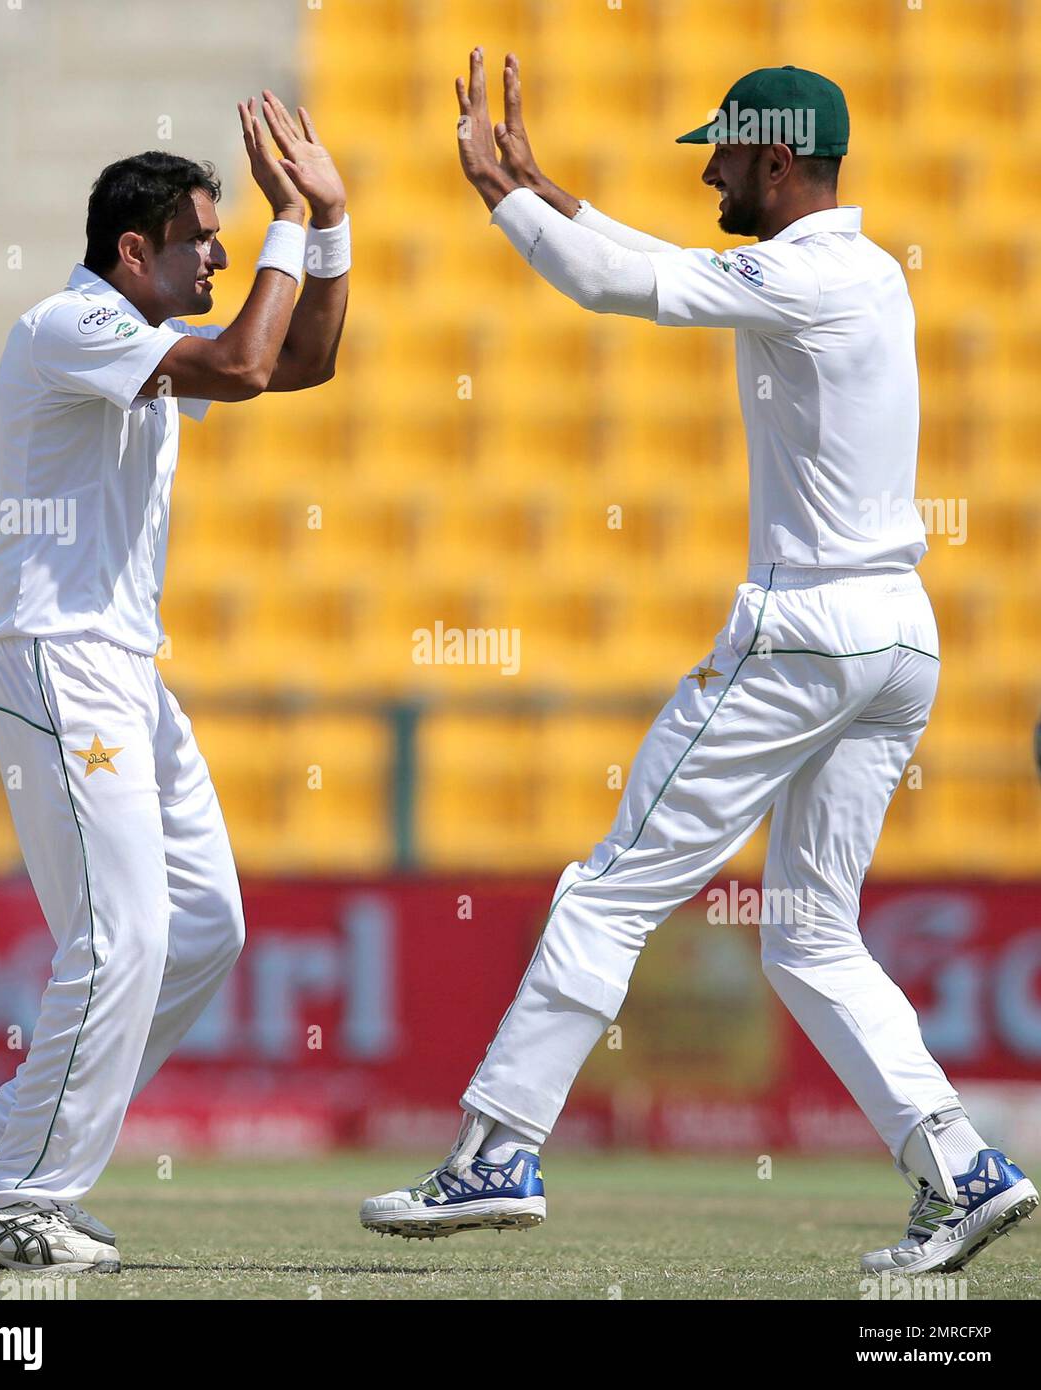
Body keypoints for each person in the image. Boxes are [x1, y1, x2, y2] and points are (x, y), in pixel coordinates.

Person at [360, 51, 1037, 1276]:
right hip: (899, 636)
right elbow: (650, 253)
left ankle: (496, 1151)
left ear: (778, 160)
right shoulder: (865, 268)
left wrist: (496, 194)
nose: (711, 171)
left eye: (725, 154)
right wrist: (546, 182)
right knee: (811, 934)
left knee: (610, 885)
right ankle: (962, 1168)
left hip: (806, 633)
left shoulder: (800, 277)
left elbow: (622, 282)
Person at [0, 92, 350, 1274]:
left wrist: (329, 226)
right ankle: (16, 1203)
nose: (218, 255)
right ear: (133, 252)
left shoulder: (144, 346)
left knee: (204, 926)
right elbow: (250, 363)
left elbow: (304, 359)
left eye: (223, 238)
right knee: (119, 937)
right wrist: (281, 221)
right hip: (57, 658)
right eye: (200, 239)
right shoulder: (72, 324)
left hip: (124, 670)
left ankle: (8, 1137)